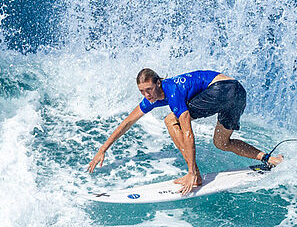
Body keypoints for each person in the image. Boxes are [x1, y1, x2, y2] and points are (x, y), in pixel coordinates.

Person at [87, 68, 283, 194]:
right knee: (222, 143)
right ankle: (270, 159)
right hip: (237, 93)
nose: (147, 95)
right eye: (142, 92)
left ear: (158, 83)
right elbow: (127, 122)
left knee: (171, 120)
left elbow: (188, 132)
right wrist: (103, 149)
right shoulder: (153, 97)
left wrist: (191, 172)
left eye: (149, 89)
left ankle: (194, 174)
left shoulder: (173, 91)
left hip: (223, 88)